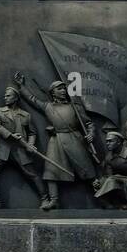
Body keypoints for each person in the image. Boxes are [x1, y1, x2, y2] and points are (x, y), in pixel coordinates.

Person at [12, 72, 97, 209]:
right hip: (56, 141)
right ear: (52, 93)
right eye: (59, 89)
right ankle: (54, 200)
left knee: (87, 170)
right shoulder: (48, 107)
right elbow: (32, 99)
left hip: (74, 139)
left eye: (64, 88)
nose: (63, 91)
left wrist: (91, 133)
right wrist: (21, 86)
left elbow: (89, 123)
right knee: (51, 170)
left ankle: (102, 198)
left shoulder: (74, 107)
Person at [0, 85, 48, 209]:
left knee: (32, 174)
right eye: (5, 96)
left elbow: (32, 133)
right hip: (2, 148)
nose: (5, 98)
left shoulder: (25, 115)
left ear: (16, 98)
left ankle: (45, 198)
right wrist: (10, 135)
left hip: (20, 149)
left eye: (8, 96)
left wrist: (30, 144)